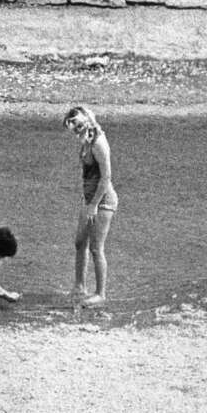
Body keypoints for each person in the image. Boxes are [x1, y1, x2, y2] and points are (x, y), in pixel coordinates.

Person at [63, 104, 118, 307]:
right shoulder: (85, 140)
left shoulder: (98, 143)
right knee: (79, 242)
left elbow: (106, 177)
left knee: (96, 247)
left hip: (102, 201)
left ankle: (100, 293)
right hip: (89, 199)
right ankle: (79, 286)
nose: (75, 129)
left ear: (87, 119)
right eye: (72, 126)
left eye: (77, 124)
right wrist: (87, 201)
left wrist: (94, 204)